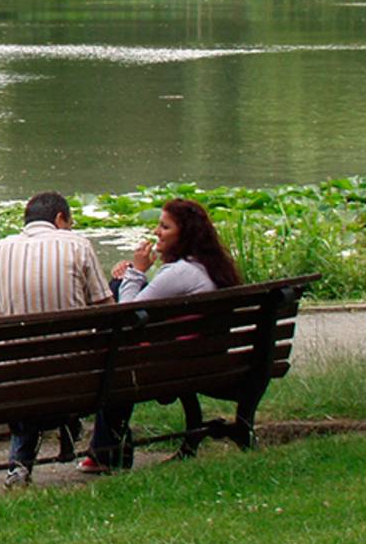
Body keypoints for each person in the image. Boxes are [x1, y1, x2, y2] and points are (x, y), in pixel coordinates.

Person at [79, 197, 243, 473]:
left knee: (113, 362)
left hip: (173, 364)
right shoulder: (211, 268)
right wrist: (130, 276)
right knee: (118, 292)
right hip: (203, 357)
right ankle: (103, 451)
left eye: (164, 227)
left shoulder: (181, 272)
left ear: (185, 234)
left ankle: (106, 453)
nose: (156, 232)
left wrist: (137, 271)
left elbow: (128, 314)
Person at [0, 190, 113, 487]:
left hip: (20, 379)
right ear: (60, 219)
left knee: (26, 363)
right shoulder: (78, 246)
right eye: (70, 222)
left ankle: (19, 465)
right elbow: (108, 312)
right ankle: (104, 448)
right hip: (77, 377)